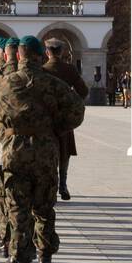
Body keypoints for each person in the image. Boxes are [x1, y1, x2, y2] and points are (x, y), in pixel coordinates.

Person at [0, 35, 85, 263]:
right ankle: (46, 262)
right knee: (44, 209)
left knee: (18, 210)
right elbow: (77, 110)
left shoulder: (6, 83)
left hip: (14, 150)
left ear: (20, 56)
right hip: (46, 151)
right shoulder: (53, 84)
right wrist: (56, 127)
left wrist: (1, 113)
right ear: (41, 55)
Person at [43, 38, 88, 201]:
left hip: (48, 118)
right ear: (61, 51)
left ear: (47, 52)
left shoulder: (43, 70)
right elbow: (83, 91)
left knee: (48, 152)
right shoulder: (70, 70)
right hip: (65, 118)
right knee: (65, 151)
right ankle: (63, 184)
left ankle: (52, 186)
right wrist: (71, 102)